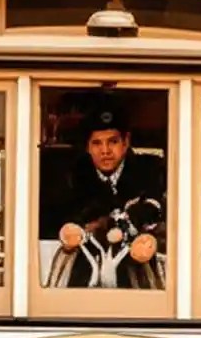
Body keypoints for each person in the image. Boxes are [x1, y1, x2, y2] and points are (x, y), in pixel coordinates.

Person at [52, 93, 166, 286]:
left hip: (137, 275)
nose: (105, 151)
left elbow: (156, 209)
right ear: (88, 147)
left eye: (112, 141)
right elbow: (62, 216)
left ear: (126, 142)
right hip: (85, 274)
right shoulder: (72, 175)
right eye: (97, 143)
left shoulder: (149, 170)